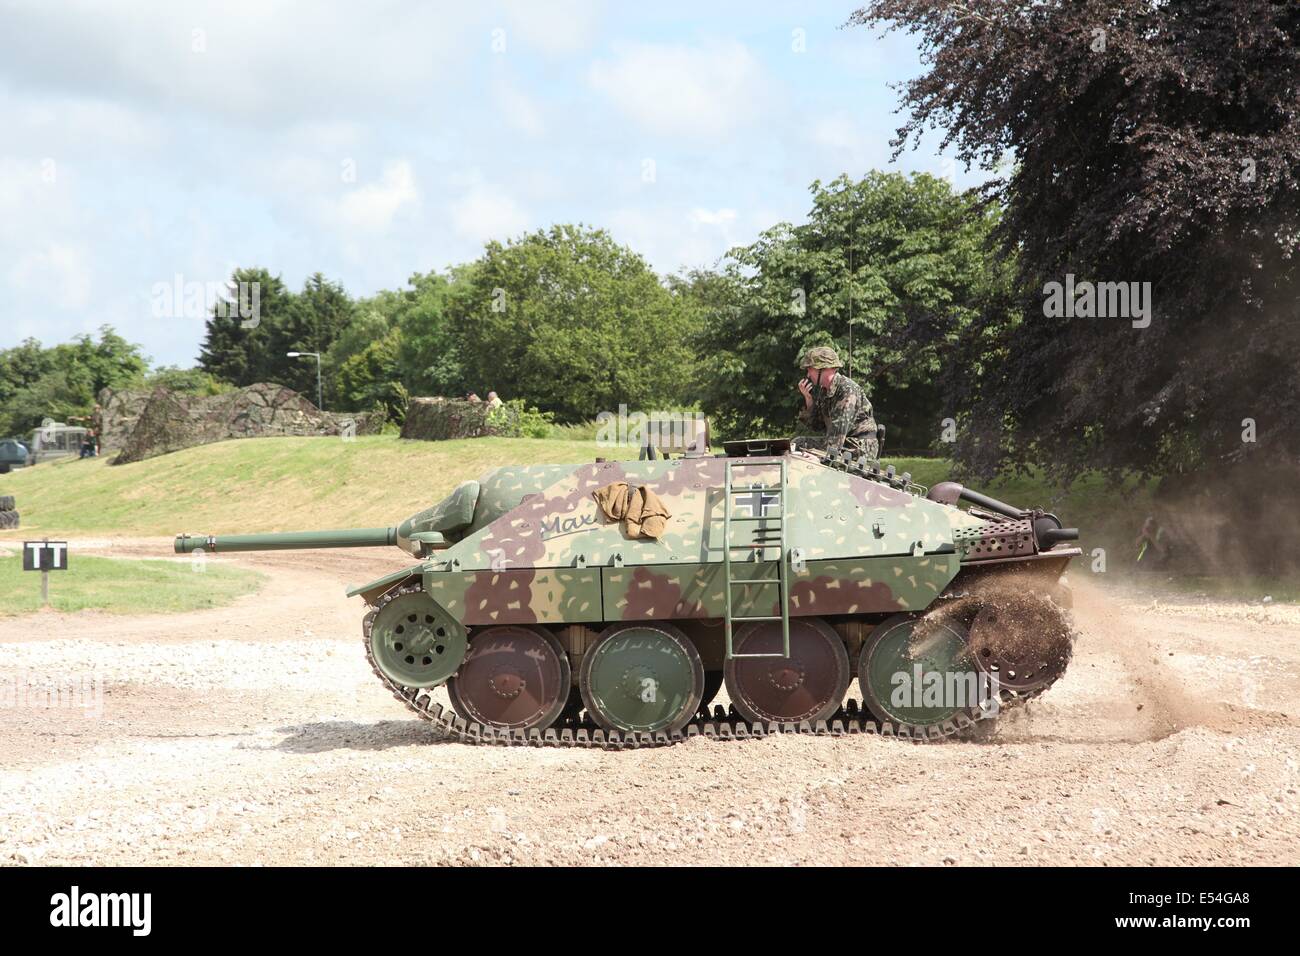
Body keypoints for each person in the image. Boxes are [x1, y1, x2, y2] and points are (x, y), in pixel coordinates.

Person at [791, 345, 879, 458]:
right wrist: (808, 398)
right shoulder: (825, 391)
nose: (808, 374)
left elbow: (838, 434)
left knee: (810, 453)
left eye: (810, 369)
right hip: (841, 443)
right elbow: (817, 426)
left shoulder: (847, 390)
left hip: (859, 447)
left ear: (823, 369)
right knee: (799, 443)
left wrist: (819, 457)